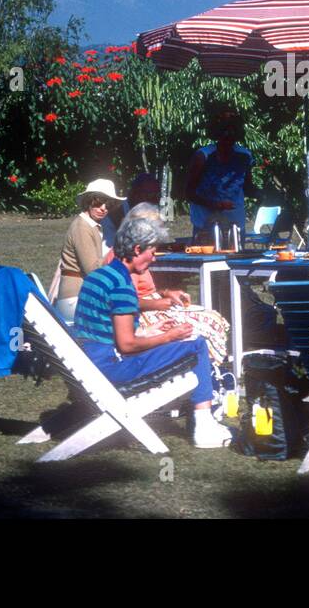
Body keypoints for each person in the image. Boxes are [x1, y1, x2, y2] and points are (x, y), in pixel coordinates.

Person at [74, 212, 235, 448]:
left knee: (182, 341)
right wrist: (169, 336)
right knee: (197, 344)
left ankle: (206, 418)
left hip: (90, 364)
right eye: (152, 252)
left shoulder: (99, 277)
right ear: (137, 249)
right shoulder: (121, 284)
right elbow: (126, 345)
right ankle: (204, 426)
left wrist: (154, 331)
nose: (155, 259)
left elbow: (105, 331)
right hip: (111, 370)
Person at [118, 202, 231, 366]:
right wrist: (156, 303)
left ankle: (207, 370)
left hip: (152, 307)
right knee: (198, 328)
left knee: (212, 317)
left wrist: (165, 292)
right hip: (141, 315)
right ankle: (199, 369)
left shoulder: (138, 253)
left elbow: (142, 288)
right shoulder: (123, 258)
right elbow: (124, 301)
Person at [54, 178, 123, 322]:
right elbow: (92, 270)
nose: (103, 208)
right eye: (98, 202)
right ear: (88, 201)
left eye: (108, 204)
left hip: (83, 295)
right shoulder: (82, 227)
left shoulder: (91, 225)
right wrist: (117, 252)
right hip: (74, 298)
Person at [186, 110, 257, 240]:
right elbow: (189, 193)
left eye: (233, 132)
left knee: (235, 259)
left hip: (235, 226)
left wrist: (263, 194)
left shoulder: (244, 156)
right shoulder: (203, 156)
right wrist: (215, 205)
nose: (229, 136)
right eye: (225, 132)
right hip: (205, 225)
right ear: (217, 133)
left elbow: (248, 187)